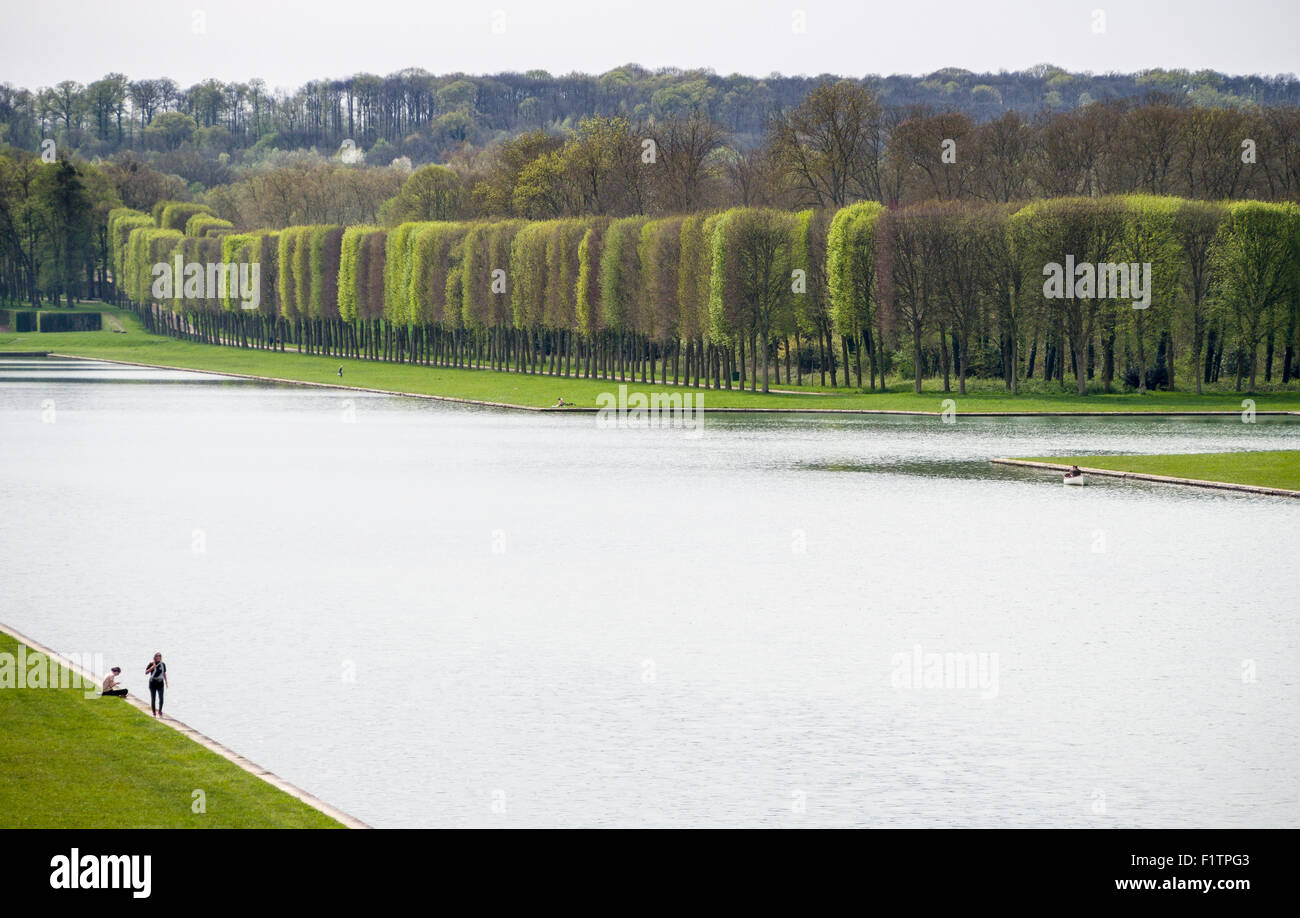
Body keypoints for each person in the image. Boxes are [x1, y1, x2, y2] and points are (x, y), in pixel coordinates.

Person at [144, 652, 168, 718]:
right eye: (157, 656)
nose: (158, 657)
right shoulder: (151, 663)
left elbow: (164, 673)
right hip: (152, 683)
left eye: (159, 656)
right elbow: (146, 672)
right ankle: (154, 712)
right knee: (153, 698)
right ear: (155, 657)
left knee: (161, 698)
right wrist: (152, 667)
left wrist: (166, 681)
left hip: (160, 683)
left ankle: (160, 711)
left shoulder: (163, 664)